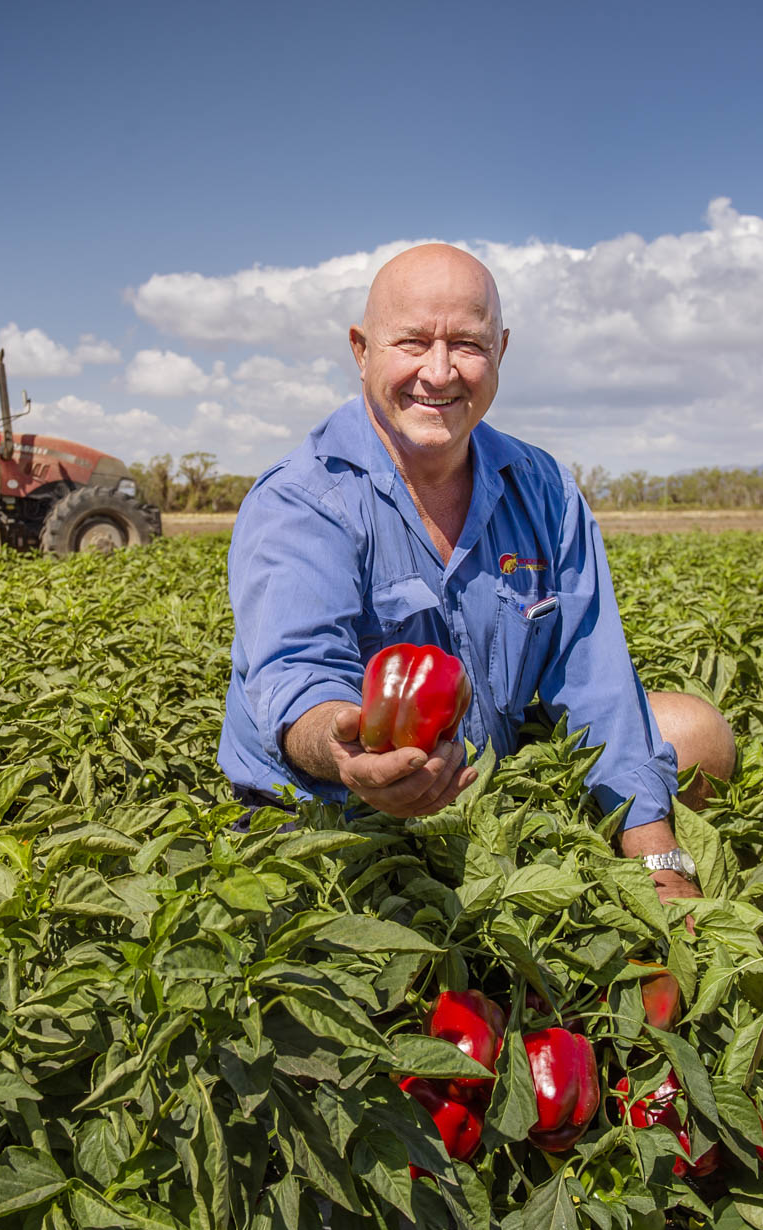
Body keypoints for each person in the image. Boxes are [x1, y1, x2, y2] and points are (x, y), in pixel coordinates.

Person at [220, 244, 735, 903]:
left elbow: (596, 680)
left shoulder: (542, 487)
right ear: (361, 349)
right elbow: (296, 679)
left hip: (481, 778)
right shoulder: (303, 499)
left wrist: (661, 866)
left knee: (694, 734)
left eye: (466, 343)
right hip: (331, 808)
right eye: (411, 342)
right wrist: (352, 753)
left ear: (501, 351)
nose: (438, 372)